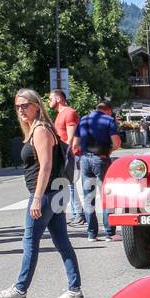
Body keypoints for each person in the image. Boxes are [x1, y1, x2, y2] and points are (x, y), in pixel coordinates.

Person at [0, 89, 84, 298]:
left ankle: (20, 288)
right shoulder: (37, 128)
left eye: (25, 105)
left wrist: (36, 198)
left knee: (30, 241)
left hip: (46, 194)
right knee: (62, 241)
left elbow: (46, 166)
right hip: (55, 192)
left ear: (36, 105)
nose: (21, 110)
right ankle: (75, 288)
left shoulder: (41, 130)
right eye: (17, 106)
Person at [73, 99, 122, 241]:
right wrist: (109, 150)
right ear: (108, 110)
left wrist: (87, 152)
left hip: (85, 160)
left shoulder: (83, 120)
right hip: (101, 160)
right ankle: (109, 233)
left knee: (89, 197)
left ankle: (92, 233)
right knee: (107, 195)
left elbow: (75, 144)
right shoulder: (108, 120)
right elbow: (117, 142)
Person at [49, 88, 84, 227]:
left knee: (70, 184)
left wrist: (65, 154)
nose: (49, 101)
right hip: (65, 154)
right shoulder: (60, 114)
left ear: (58, 99)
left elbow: (70, 138)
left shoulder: (69, 113)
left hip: (70, 154)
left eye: (50, 98)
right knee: (68, 184)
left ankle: (79, 214)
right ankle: (78, 213)